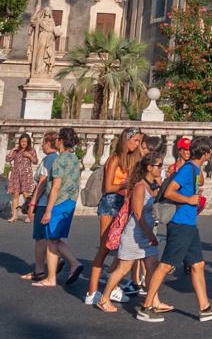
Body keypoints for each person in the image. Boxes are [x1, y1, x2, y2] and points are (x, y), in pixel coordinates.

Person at [140, 136, 212, 323]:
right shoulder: (188, 169)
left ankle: (205, 308)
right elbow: (169, 192)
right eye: (210, 151)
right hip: (180, 224)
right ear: (205, 153)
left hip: (189, 224)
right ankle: (146, 306)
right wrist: (189, 200)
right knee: (166, 265)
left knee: (198, 265)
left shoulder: (194, 169)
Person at [97, 151, 165, 314]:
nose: (162, 168)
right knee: (123, 268)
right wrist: (150, 235)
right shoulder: (140, 187)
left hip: (147, 234)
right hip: (134, 235)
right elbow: (138, 214)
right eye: (159, 165)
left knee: (152, 267)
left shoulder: (153, 186)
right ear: (149, 168)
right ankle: (104, 298)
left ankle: (155, 301)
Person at [85, 128, 145, 304]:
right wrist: (126, 185)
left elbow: (143, 162)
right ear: (126, 139)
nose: (138, 144)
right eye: (135, 140)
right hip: (111, 202)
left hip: (124, 203)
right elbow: (109, 187)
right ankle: (92, 292)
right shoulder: (115, 158)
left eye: (140, 141)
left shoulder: (132, 159)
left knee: (122, 246)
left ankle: (112, 288)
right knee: (105, 247)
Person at [33, 126, 83, 290]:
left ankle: (53, 275)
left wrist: (48, 210)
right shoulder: (74, 158)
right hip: (70, 201)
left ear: (60, 140)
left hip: (58, 201)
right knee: (53, 238)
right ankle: (71, 264)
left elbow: (56, 186)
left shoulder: (60, 160)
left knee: (51, 239)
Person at [21, 130, 63, 282]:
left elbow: (42, 183)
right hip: (56, 202)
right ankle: (58, 259)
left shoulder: (48, 159)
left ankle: (39, 269)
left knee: (40, 237)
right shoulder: (60, 158)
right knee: (50, 235)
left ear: (47, 143)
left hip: (44, 202)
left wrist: (32, 203)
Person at [6, 134, 38, 221]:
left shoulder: (31, 150)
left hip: (26, 174)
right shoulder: (17, 151)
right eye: (22, 141)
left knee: (26, 194)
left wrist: (29, 156)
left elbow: (35, 161)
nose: (23, 143)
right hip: (16, 174)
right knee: (15, 194)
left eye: (25, 142)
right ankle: (14, 215)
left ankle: (28, 215)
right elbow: (7, 159)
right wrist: (12, 150)